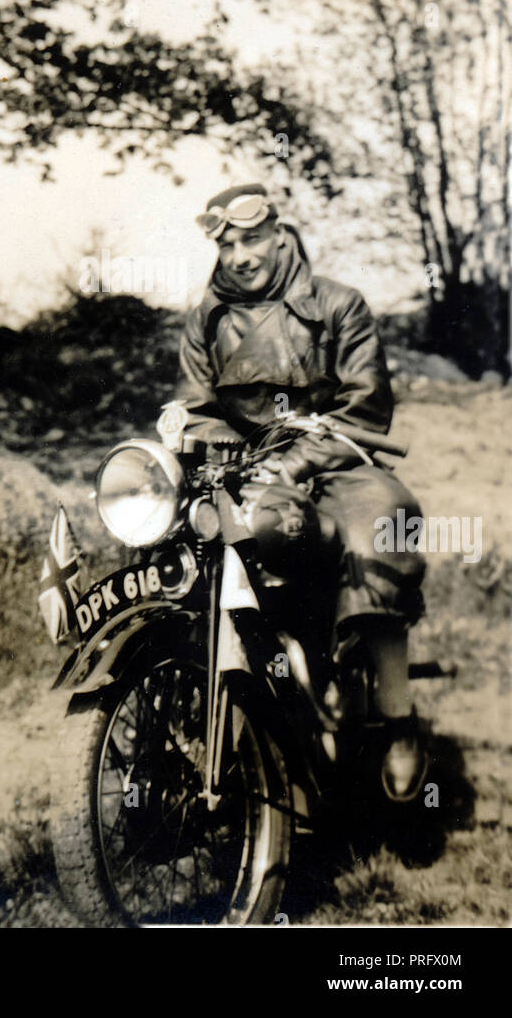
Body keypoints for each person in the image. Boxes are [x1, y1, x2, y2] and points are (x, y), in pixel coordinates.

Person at [170, 183, 428, 800]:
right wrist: (206, 440)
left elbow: (365, 409)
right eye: (226, 245)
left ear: (280, 235)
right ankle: (195, 710)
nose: (239, 256)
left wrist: (298, 462)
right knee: (178, 547)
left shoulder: (340, 304)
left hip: (338, 463)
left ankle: (399, 722)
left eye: (251, 239)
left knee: (380, 533)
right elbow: (198, 408)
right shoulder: (204, 318)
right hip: (247, 472)